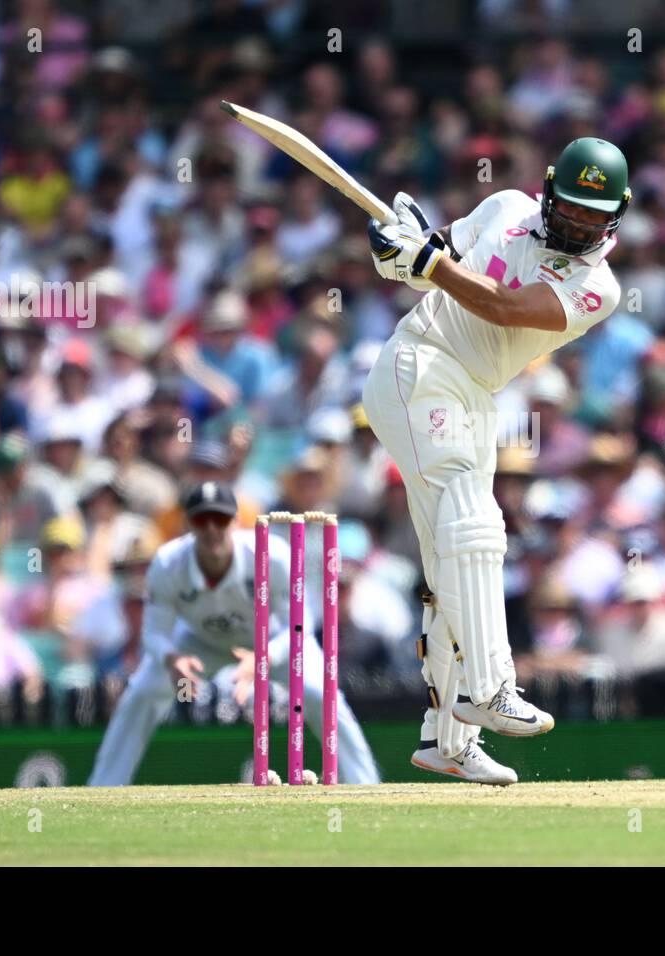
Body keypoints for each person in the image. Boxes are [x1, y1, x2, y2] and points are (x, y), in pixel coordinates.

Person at [361, 137, 630, 785]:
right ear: (546, 191)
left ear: (618, 213)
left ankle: (448, 743)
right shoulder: (506, 204)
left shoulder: (599, 287)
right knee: (475, 526)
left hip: (474, 391)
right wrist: (400, 251)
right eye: (569, 210)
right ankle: (489, 685)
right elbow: (428, 260)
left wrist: (425, 261)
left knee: (456, 557)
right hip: (418, 363)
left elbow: (504, 306)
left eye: (594, 216)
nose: (578, 225)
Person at [88, 480, 379, 785]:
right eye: (202, 519)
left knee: (322, 694)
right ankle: (103, 786)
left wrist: (262, 659)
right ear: (188, 524)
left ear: (236, 522)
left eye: (221, 519)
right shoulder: (168, 563)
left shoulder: (273, 556)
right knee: (143, 692)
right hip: (200, 643)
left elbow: (300, 625)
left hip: (275, 643)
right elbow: (153, 632)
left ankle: (364, 784)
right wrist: (171, 659)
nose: (212, 528)